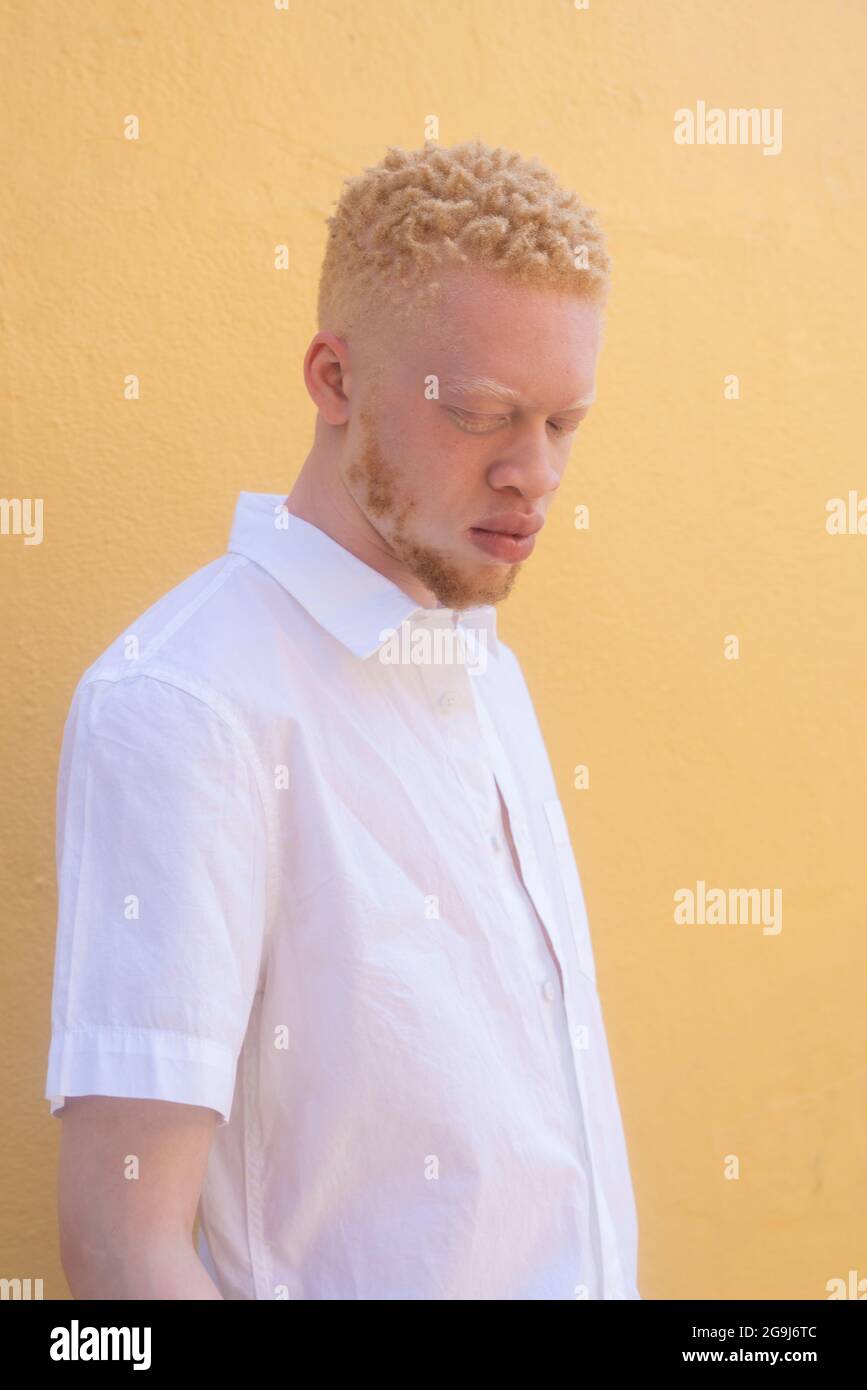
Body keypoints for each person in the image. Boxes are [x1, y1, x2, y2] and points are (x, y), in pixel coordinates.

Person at [45, 137, 640, 1300]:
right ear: (333, 379)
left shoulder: (481, 669)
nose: (537, 474)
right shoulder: (188, 704)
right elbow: (123, 1252)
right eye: (481, 413)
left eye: (565, 425)